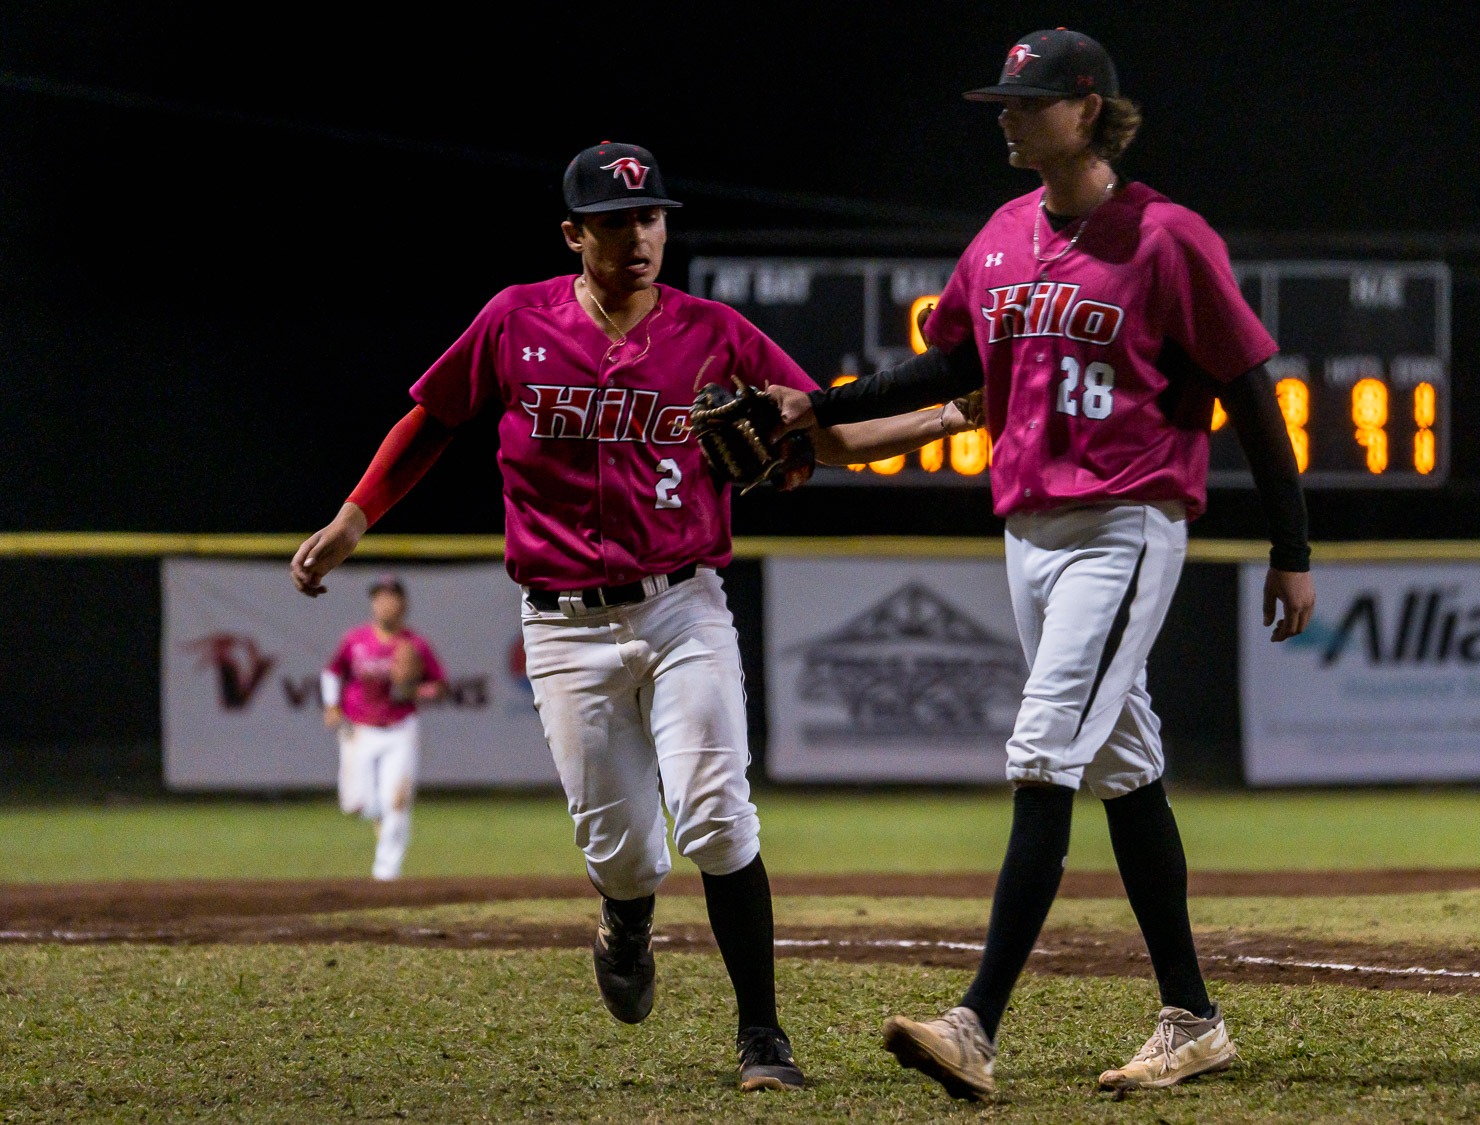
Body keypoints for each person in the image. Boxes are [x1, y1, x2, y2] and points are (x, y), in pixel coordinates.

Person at [288, 141, 971, 1093]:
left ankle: (762, 1037)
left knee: (719, 816)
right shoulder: (514, 320)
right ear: (574, 234)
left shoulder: (715, 333)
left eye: (651, 217)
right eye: (615, 222)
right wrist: (355, 515)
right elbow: (434, 416)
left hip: (682, 601)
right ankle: (626, 914)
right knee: (624, 849)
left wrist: (945, 421)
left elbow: (834, 429)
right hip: (562, 625)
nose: (639, 236)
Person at [774, 29, 1318, 1101]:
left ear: (1085, 109)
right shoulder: (999, 235)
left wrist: (1290, 548)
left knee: (1041, 748)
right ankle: (1193, 1021)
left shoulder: (1166, 238)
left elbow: (1252, 390)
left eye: (1024, 102)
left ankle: (973, 1025)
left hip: (1124, 525)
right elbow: (947, 363)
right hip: (1027, 531)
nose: (1005, 118)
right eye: (1001, 102)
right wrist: (822, 405)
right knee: (1121, 766)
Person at [321, 575, 445, 882]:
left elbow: (439, 686)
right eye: (379, 597)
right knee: (354, 804)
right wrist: (331, 705)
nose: (385, 603)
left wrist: (416, 691)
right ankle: (377, 813)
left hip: (400, 727)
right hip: (359, 730)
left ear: (403, 604)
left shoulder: (415, 644)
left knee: (398, 801)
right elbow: (332, 672)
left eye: (391, 597)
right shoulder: (356, 640)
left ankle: (387, 874)